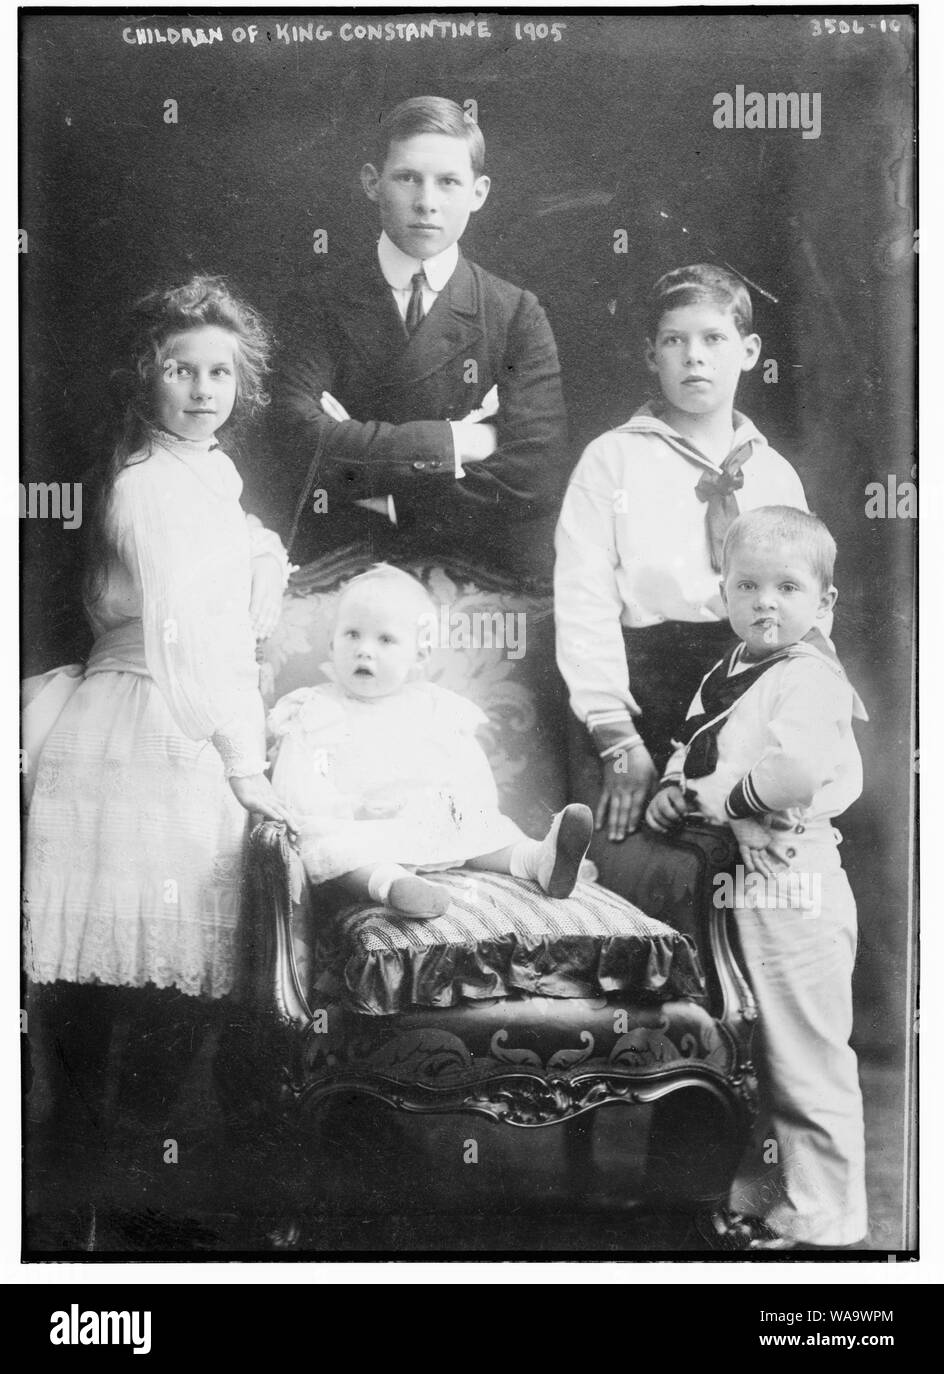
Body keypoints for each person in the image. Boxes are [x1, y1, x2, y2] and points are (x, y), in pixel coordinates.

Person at [23, 275, 296, 1147]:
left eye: (221, 374)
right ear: (147, 375)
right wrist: (242, 761)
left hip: (192, 725)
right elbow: (182, 634)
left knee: (174, 964)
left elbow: (231, 562)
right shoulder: (142, 480)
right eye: (182, 370)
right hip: (142, 724)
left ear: (241, 386)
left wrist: (263, 556)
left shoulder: (213, 473)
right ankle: (78, 1169)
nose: (203, 390)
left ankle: (133, 1159)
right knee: (114, 957)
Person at [646, 506, 868, 1250]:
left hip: (794, 877)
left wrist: (731, 805)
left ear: (823, 603)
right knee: (761, 1052)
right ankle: (770, 1200)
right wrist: (676, 788)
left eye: (786, 587)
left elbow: (794, 770)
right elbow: (697, 751)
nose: (765, 602)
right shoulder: (728, 669)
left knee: (806, 1057)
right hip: (743, 886)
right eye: (747, 586)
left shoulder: (810, 677)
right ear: (724, 593)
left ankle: (826, 1221)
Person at [554, 263, 813, 845]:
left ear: (749, 351)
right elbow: (583, 602)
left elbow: (810, 607)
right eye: (675, 341)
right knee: (668, 851)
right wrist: (617, 739)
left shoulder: (774, 475)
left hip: (752, 690)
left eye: (713, 339)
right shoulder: (612, 461)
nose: (694, 357)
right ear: (652, 356)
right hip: (648, 694)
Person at [265, 95, 569, 580]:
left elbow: (534, 477)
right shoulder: (316, 305)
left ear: (479, 192)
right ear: (372, 182)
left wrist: (381, 498)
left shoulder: (514, 314)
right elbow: (295, 444)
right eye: (408, 177)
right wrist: (459, 442)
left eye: (449, 182)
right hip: (340, 563)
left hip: (473, 570)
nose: (427, 202)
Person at [268, 565, 593, 920]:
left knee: (483, 826)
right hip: (356, 827)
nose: (364, 651)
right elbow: (298, 786)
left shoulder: (436, 708)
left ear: (419, 655)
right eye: (351, 635)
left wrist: (452, 806)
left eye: (385, 639)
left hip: (425, 822)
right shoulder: (317, 710)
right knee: (332, 847)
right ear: (331, 644)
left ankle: (538, 860)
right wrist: (349, 808)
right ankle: (394, 887)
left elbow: (470, 774)